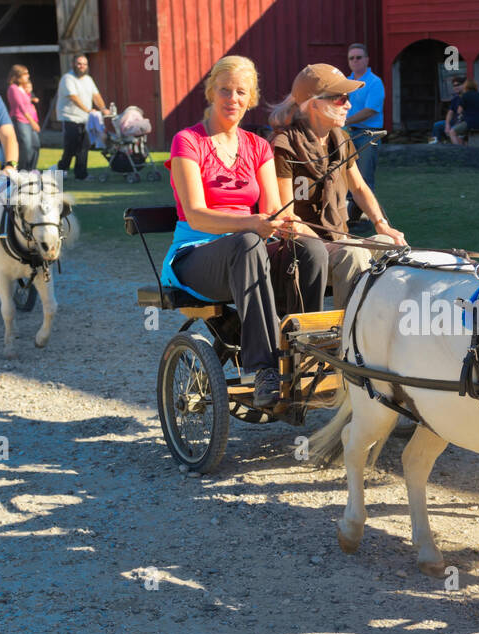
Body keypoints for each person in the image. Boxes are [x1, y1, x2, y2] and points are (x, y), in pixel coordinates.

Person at [160, 55, 313, 408]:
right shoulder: (188, 141)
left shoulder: (259, 147)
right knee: (247, 243)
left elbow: (273, 212)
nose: (232, 98)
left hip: (248, 252)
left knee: (308, 252)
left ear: (251, 98)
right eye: (225, 90)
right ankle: (263, 369)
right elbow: (197, 216)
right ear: (211, 91)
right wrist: (251, 224)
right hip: (197, 255)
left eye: (241, 91)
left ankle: (301, 354)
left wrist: (290, 225)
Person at [270, 63, 405, 300]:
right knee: (352, 253)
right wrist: (328, 245)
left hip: (339, 241)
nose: (349, 105)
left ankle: (382, 326)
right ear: (314, 104)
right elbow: (286, 219)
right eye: (341, 99)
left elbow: (360, 188)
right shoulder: (284, 146)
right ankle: (347, 332)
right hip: (303, 251)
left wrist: (381, 223)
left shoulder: (341, 139)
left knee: (391, 245)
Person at [343, 42, 384, 227]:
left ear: (367, 60)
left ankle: (369, 218)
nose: (355, 61)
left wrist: (343, 122)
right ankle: (352, 218)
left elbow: (370, 111)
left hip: (369, 134)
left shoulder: (375, 82)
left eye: (358, 57)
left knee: (365, 176)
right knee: (348, 176)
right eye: (351, 58)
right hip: (349, 133)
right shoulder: (347, 81)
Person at [55, 53, 106, 181]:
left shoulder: (88, 79)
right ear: (73, 64)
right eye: (79, 63)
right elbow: (74, 98)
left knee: (84, 146)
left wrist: (103, 108)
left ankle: (81, 174)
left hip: (85, 119)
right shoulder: (68, 78)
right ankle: (62, 171)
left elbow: (96, 96)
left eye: (84, 64)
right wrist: (88, 110)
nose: (82, 66)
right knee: (71, 146)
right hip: (70, 118)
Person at [6, 64, 42, 170]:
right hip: (20, 120)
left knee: (35, 145)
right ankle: (22, 169)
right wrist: (33, 122)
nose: (28, 76)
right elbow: (21, 107)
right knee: (25, 147)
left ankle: (32, 169)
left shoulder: (23, 88)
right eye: (25, 74)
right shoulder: (13, 88)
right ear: (17, 76)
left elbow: (27, 102)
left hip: (29, 121)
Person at [446, 78, 479, 146]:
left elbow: (459, 111)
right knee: (463, 134)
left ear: (466, 86)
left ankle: (459, 150)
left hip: (470, 123)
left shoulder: (465, 95)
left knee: (452, 132)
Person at [430, 74, 465, 143]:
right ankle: (432, 145)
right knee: (437, 125)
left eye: (458, 85)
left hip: (463, 123)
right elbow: (450, 113)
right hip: (454, 122)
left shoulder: (467, 97)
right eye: (454, 86)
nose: (455, 87)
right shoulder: (455, 99)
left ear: (464, 85)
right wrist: (447, 125)